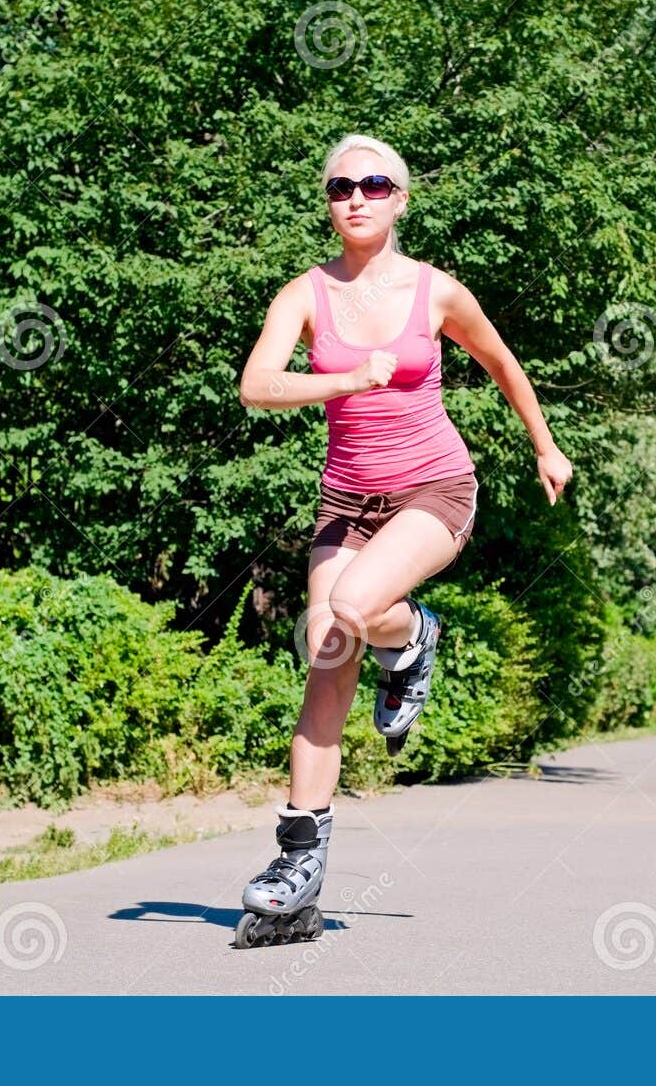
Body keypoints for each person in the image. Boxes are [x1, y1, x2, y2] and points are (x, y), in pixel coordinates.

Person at [230, 133, 573, 945]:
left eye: (375, 184)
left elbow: (502, 361)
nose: (357, 197)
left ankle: (414, 633)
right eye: (341, 186)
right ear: (328, 202)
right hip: (346, 502)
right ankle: (297, 865)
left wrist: (545, 445)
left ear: (400, 200)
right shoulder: (305, 295)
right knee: (327, 651)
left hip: (434, 490)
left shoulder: (436, 291)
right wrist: (346, 378)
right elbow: (257, 385)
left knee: (352, 605)